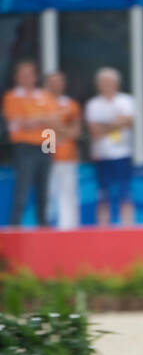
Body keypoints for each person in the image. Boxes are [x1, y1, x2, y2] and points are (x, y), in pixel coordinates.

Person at [4, 59, 55, 226]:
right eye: (23, 75)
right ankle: (15, 228)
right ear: (17, 78)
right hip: (24, 147)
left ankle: (43, 227)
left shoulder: (44, 95)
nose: (27, 78)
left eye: (30, 75)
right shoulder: (12, 97)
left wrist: (34, 120)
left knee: (44, 191)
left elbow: (54, 121)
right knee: (22, 189)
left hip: (46, 145)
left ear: (35, 77)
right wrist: (41, 119)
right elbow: (18, 122)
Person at [85, 66, 135, 225]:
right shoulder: (93, 104)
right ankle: (103, 228)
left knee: (125, 192)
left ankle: (128, 228)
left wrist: (104, 125)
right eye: (103, 82)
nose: (106, 85)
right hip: (102, 155)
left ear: (116, 83)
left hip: (122, 154)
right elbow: (94, 131)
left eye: (109, 82)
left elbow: (128, 122)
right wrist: (116, 123)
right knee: (103, 193)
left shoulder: (126, 100)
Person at [43, 71, 81, 229]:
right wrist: (59, 130)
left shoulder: (71, 105)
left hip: (67, 155)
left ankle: (69, 227)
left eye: (58, 82)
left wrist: (56, 129)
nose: (55, 85)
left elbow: (75, 132)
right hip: (47, 155)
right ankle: (47, 226)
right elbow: (44, 131)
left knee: (68, 193)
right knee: (47, 193)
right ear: (46, 84)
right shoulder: (42, 102)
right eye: (52, 82)